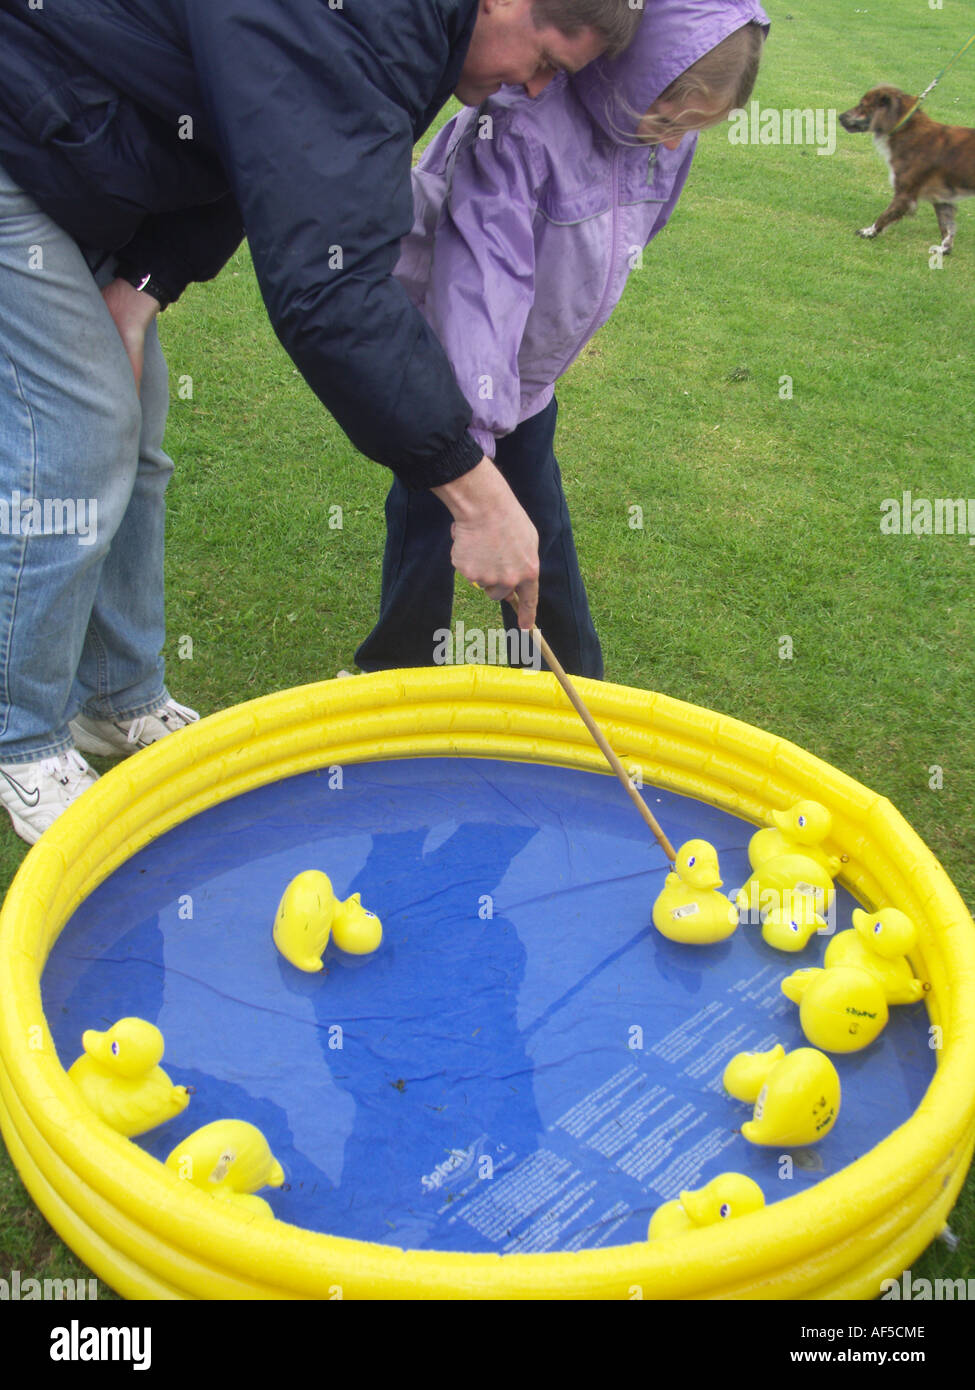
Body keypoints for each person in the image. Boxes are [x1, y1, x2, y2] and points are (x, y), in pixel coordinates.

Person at [0, 0, 644, 844]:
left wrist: (145, 285)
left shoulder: (419, 34)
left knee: (134, 433)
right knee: (80, 435)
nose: (530, 89)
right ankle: (19, 738)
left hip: (75, 156)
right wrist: (477, 496)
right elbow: (331, 288)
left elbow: (259, 150)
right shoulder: (374, 21)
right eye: (547, 62)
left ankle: (116, 701)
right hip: (19, 130)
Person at [355, 0, 768, 679]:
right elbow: (482, 284)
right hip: (450, 380)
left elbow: (641, 227)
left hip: (528, 384)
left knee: (539, 532)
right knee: (432, 524)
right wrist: (468, 446)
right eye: (667, 119)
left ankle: (564, 688)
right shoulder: (520, 129)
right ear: (629, 73)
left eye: (690, 129)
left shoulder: (663, 143)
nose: (672, 144)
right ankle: (394, 675)